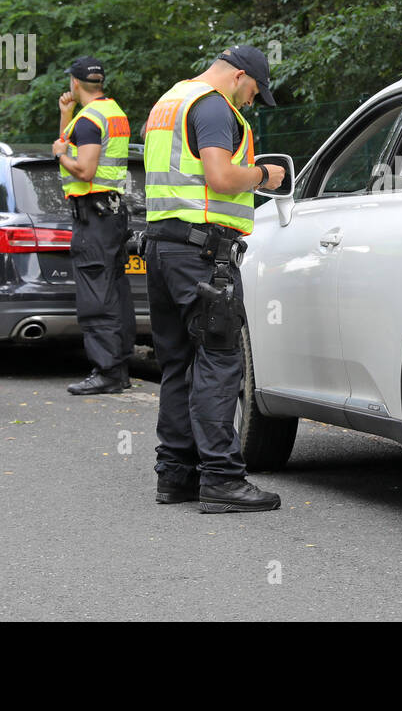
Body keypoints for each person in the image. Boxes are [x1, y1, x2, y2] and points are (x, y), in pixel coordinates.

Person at [142, 45, 285, 512]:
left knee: (178, 362)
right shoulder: (212, 106)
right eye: (252, 93)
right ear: (239, 76)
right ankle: (222, 480)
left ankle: (176, 476)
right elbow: (220, 176)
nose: (249, 102)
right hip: (203, 254)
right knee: (220, 360)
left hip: (163, 248)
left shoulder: (170, 101)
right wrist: (265, 174)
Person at [52, 56, 136, 395]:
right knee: (115, 289)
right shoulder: (112, 112)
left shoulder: (89, 121)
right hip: (111, 213)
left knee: (96, 292)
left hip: (93, 215)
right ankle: (119, 366)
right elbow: (74, 144)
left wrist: (60, 155)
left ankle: (107, 371)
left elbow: (84, 170)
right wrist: (65, 116)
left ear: (74, 83)